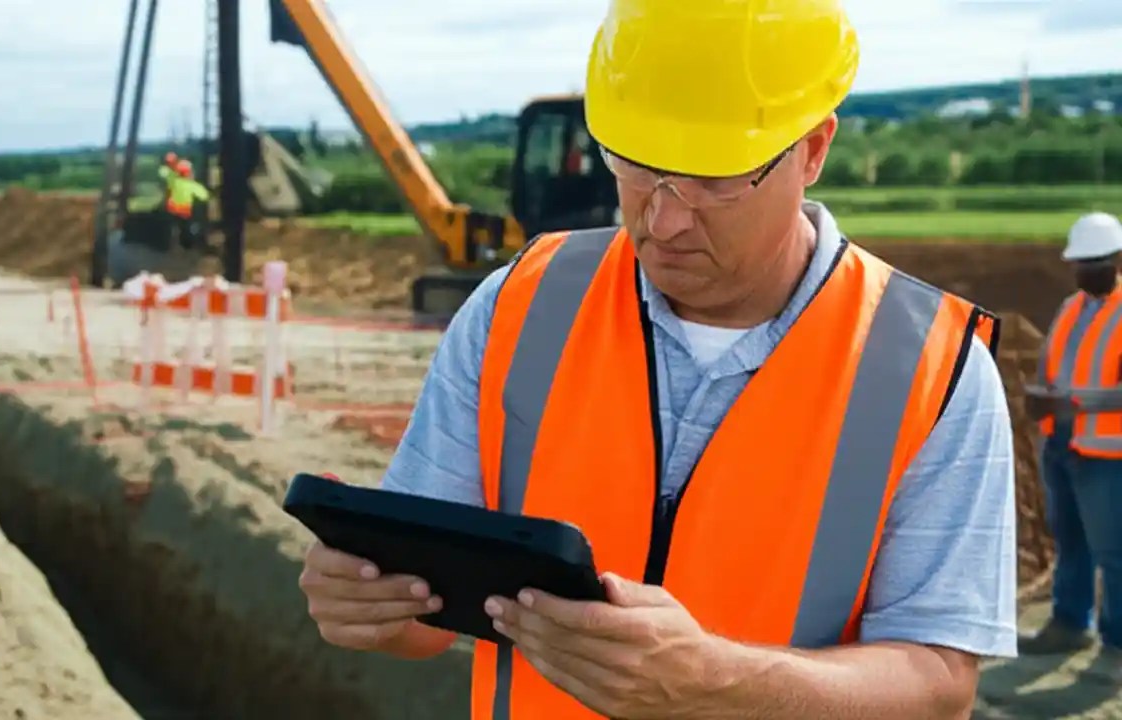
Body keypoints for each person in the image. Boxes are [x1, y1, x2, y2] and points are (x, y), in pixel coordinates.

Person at [297, 0, 1018, 717]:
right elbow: (424, 619)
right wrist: (371, 603)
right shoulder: (517, 306)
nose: (663, 220)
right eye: (635, 166)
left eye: (715, 177)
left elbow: (937, 688)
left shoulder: (929, 367)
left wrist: (717, 684)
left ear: (813, 149)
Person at [1020, 211, 1122, 676]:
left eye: (1097, 263)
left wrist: (1074, 402)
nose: (1087, 271)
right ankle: (1069, 623)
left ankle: (1116, 643)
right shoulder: (1071, 308)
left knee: (1113, 551)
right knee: (1070, 540)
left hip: (1107, 453)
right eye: (1082, 263)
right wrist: (1041, 398)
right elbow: (1055, 367)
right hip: (1061, 442)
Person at [157, 158, 210, 249]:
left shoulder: (173, 181)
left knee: (174, 225)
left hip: (171, 210)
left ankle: (172, 242)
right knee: (188, 226)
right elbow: (204, 196)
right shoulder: (192, 185)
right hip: (184, 211)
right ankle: (186, 243)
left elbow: (164, 173)